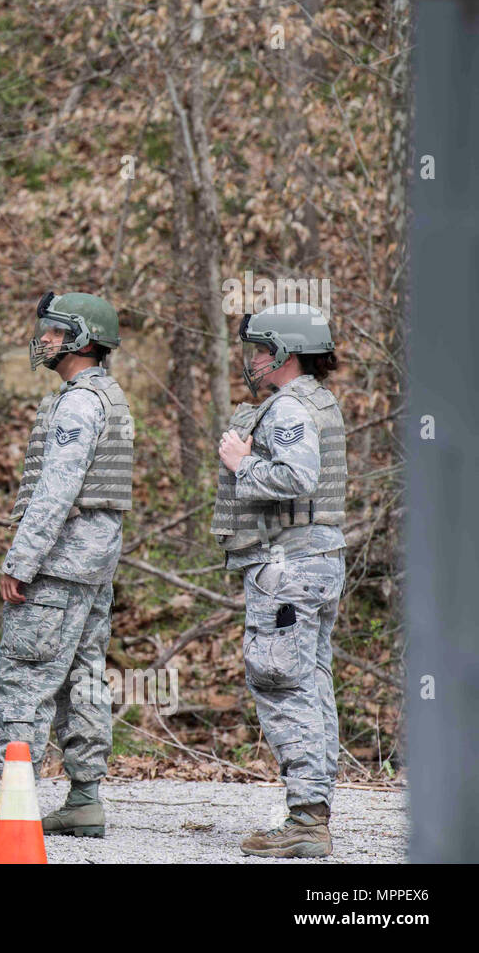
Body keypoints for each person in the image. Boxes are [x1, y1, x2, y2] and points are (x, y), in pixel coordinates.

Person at [0, 291, 132, 839]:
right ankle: (84, 798)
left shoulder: (78, 402)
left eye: (53, 331)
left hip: (61, 560)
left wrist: (21, 561)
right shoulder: (107, 396)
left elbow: (57, 488)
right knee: (85, 677)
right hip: (94, 563)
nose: (43, 339)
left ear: (82, 339)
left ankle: (13, 805)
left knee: (23, 680)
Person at [212, 302, 345, 858]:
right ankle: (313, 808)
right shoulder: (321, 403)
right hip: (319, 562)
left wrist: (242, 463)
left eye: (262, 350)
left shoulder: (289, 407)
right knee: (311, 682)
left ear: (286, 354)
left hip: (287, 567)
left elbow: (297, 476)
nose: (254, 360)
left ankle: (308, 820)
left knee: (281, 682)